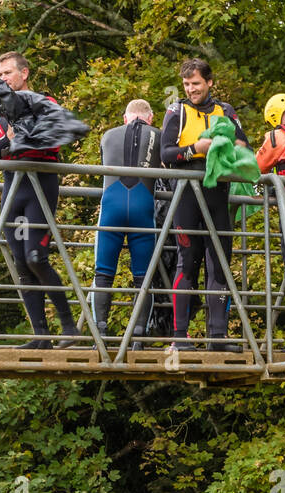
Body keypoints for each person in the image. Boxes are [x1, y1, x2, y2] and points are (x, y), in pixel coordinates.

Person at [0, 51, 78, 349]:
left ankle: (69, 328)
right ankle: (41, 336)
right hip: (13, 187)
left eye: (7, 73)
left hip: (40, 184)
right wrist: (8, 140)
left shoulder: (45, 104)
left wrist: (19, 138)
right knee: (22, 262)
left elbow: (56, 138)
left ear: (24, 73)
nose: (3, 79)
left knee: (37, 257)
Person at [160, 58, 249, 351]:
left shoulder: (226, 110)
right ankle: (180, 337)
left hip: (217, 194)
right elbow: (167, 153)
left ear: (210, 82)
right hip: (186, 193)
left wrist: (230, 147)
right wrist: (197, 149)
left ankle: (218, 338)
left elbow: (244, 146)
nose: (191, 89)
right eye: (186, 84)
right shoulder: (177, 110)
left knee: (220, 264)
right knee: (187, 261)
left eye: (196, 84)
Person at [95, 99, 162, 347]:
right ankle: (139, 334)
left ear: (125, 118)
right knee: (143, 276)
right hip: (143, 207)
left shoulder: (108, 135)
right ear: (150, 118)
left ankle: (100, 332)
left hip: (111, 206)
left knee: (103, 272)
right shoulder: (159, 135)